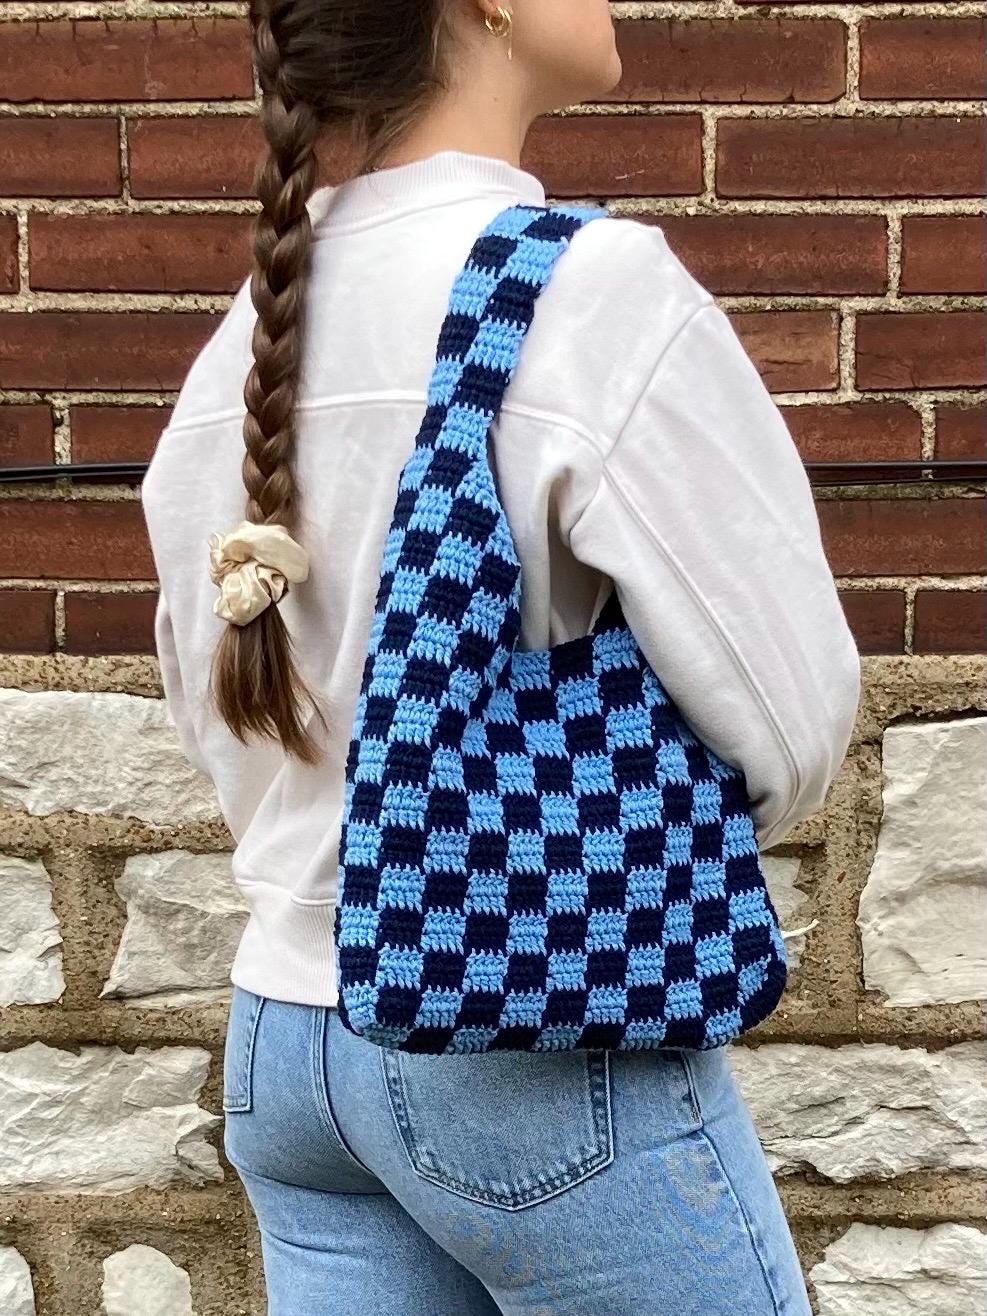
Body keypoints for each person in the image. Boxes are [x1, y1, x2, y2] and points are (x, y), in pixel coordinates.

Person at [141, 1, 861, 1311]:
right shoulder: (586, 291)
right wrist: (623, 836)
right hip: (526, 1040)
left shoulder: (246, 340)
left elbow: (220, 710)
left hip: (290, 1057)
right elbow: (792, 708)